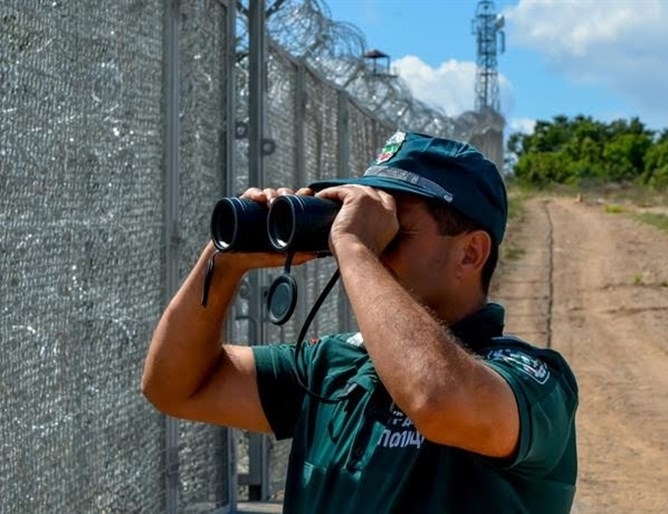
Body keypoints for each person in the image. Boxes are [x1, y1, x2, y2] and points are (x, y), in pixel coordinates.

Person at [142, 131, 578, 513]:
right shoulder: (334, 367)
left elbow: (435, 399)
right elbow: (176, 386)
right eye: (370, 224)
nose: (372, 242)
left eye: (393, 230)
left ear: (470, 253)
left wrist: (354, 244)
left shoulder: (533, 381)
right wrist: (223, 264)